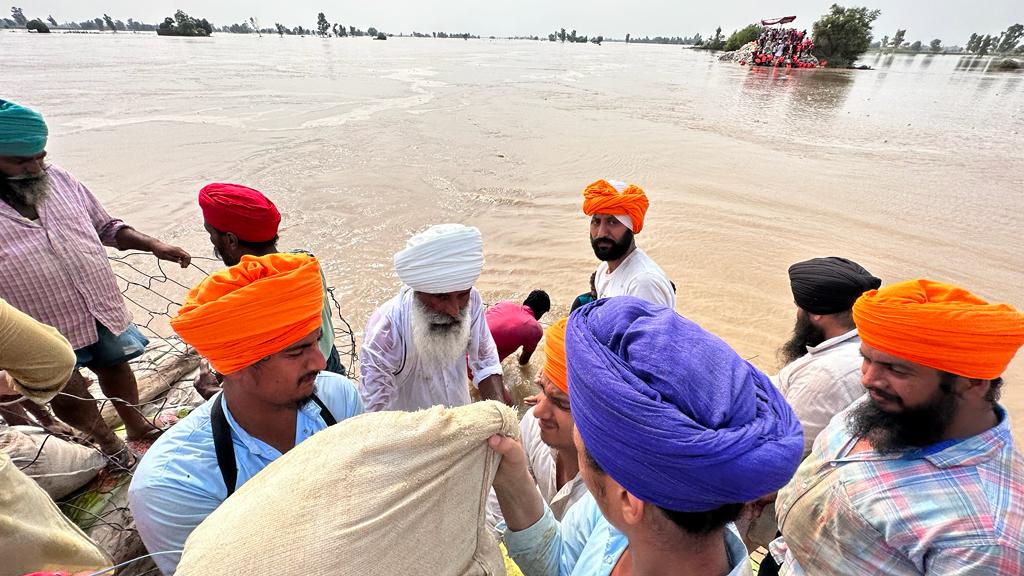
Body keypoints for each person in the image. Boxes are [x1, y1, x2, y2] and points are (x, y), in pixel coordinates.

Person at [490, 297, 804, 575]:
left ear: (629, 499)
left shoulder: (626, 495)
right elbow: (560, 564)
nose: (576, 438)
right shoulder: (630, 504)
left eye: (582, 434)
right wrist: (513, 476)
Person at [129, 253, 364, 575]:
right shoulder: (175, 484)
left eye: (316, 343)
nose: (320, 363)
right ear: (236, 365)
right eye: (296, 351)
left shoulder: (337, 397)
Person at [770, 279, 1024, 575]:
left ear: (972, 382)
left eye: (897, 369)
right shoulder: (888, 404)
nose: (868, 379)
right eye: (866, 359)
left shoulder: (988, 537)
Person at [0, 99, 191, 466]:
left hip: (95, 305)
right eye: (20, 161)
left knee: (116, 365)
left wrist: (155, 245)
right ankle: (107, 443)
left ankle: (136, 426)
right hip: (37, 323)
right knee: (63, 386)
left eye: (40, 156)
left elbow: (108, 227)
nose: (36, 167)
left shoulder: (61, 179)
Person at [198, 182, 344, 376]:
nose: (212, 242)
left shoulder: (240, 292)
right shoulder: (305, 262)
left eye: (211, 233)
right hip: (328, 359)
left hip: (294, 380)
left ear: (231, 240)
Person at [359, 224, 506, 412]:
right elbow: (374, 411)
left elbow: (486, 362)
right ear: (417, 292)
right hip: (410, 433)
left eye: (462, 295)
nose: (454, 310)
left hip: (462, 419)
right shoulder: (386, 331)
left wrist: (500, 419)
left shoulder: (472, 300)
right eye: (442, 297)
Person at [486, 317, 589, 533]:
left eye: (561, 402)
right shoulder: (534, 426)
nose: (538, 410)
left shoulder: (612, 502)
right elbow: (495, 513)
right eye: (542, 389)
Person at [774, 257, 881, 456]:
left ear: (816, 314)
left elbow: (787, 447)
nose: (797, 313)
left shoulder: (827, 374)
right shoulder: (866, 342)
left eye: (799, 306)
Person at [582, 179, 675, 308]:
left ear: (630, 228)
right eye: (596, 222)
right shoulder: (603, 270)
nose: (601, 233)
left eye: (613, 222)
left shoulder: (643, 283)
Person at [485, 289, 549, 364]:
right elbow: (523, 362)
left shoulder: (503, 304)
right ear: (541, 312)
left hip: (469, 341)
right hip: (479, 366)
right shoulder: (535, 329)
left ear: (525, 301)